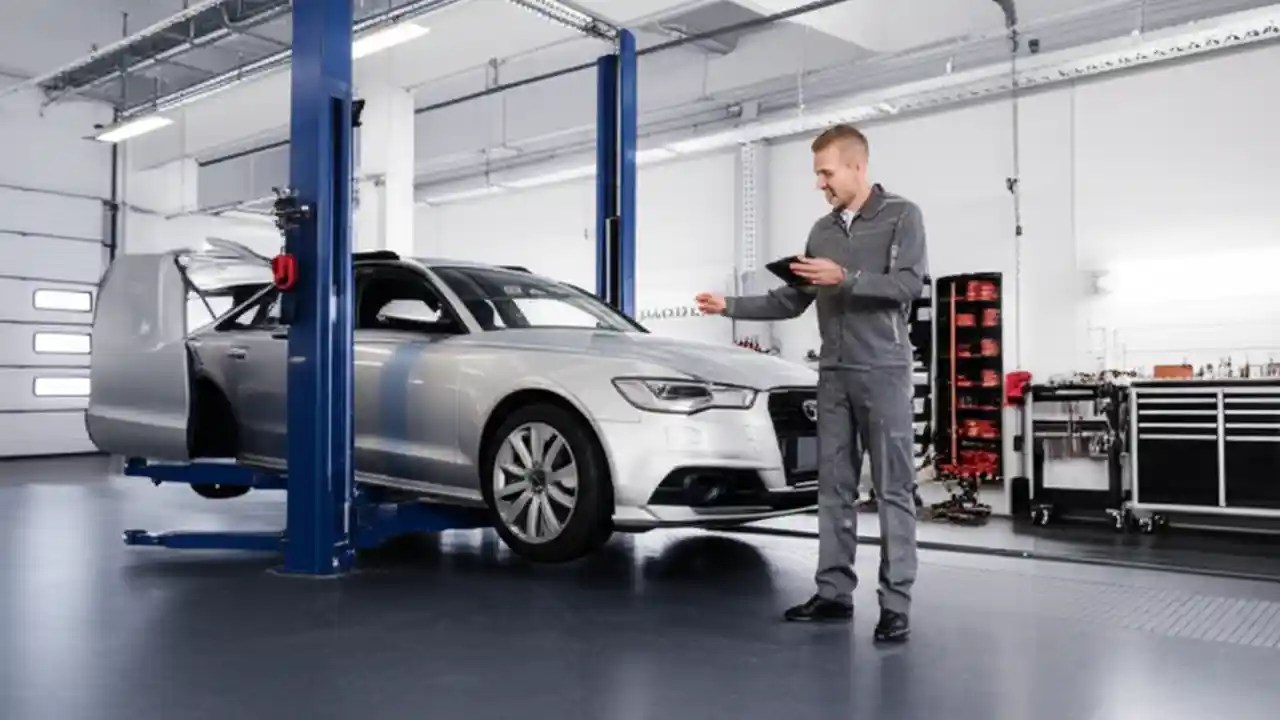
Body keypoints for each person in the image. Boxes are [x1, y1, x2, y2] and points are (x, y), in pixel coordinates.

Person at [695, 124, 927, 643]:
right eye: (817, 173)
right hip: (834, 372)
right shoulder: (821, 232)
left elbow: (910, 285)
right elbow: (791, 300)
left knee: (892, 490)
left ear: (856, 167)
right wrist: (728, 305)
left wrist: (845, 279)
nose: (820, 183)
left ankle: (895, 604)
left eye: (826, 172)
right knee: (833, 488)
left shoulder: (901, 216)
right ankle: (833, 593)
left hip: (885, 369)